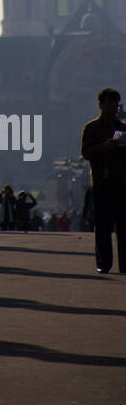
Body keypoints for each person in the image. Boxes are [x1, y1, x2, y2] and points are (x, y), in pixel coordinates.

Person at [81, 87, 126, 275]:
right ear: (100, 105)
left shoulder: (123, 128)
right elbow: (86, 153)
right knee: (102, 226)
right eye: (109, 105)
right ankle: (104, 262)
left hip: (122, 182)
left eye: (115, 106)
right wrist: (104, 146)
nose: (112, 109)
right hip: (102, 181)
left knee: (124, 225)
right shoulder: (91, 128)